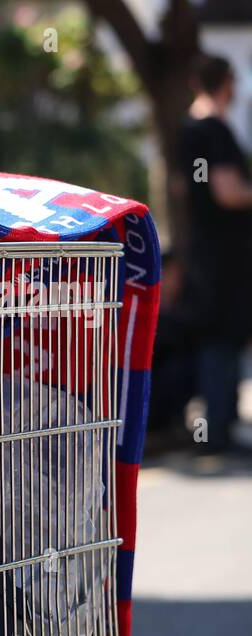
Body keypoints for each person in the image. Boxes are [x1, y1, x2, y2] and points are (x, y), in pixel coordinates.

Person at [176, 55, 252, 457]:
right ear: (226, 82)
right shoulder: (213, 131)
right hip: (224, 257)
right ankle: (217, 431)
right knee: (222, 337)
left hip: (206, 249)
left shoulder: (189, 129)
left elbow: (186, 187)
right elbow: (226, 190)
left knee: (214, 337)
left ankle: (213, 430)